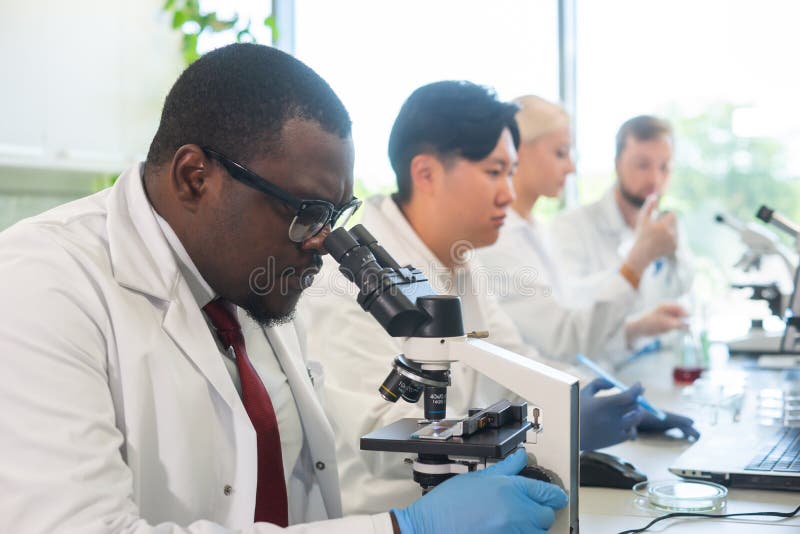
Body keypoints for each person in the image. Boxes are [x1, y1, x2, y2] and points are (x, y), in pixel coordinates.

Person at [0, 45, 568, 534]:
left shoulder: (253, 284)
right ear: (195, 177)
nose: (322, 242)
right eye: (306, 210)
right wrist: (400, 528)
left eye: (334, 214)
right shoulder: (41, 285)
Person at [299, 81, 697, 517]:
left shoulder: (460, 257)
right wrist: (554, 429)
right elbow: (385, 437)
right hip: (398, 515)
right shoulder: (351, 281)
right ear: (426, 173)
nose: (509, 192)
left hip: (474, 500)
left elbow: (515, 360)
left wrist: (590, 397)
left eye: (511, 172)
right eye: (495, 172)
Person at [478, 96, 686, 365]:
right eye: (560, 153)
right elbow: (564, 340)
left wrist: (637, 328)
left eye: (664, 167)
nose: (571, 167)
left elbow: (576, 309)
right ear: (518, 150)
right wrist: (637, 261)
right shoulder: (498, 240)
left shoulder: (536, 230)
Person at [549, 115, 694, 316]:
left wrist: (673, 255)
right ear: (617, 164)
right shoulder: (570, 227)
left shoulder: (666, 226)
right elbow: (569, 306)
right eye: (642, 165)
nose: (655, 179)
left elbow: (684, 288)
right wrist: (638, 259)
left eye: (664, 167)